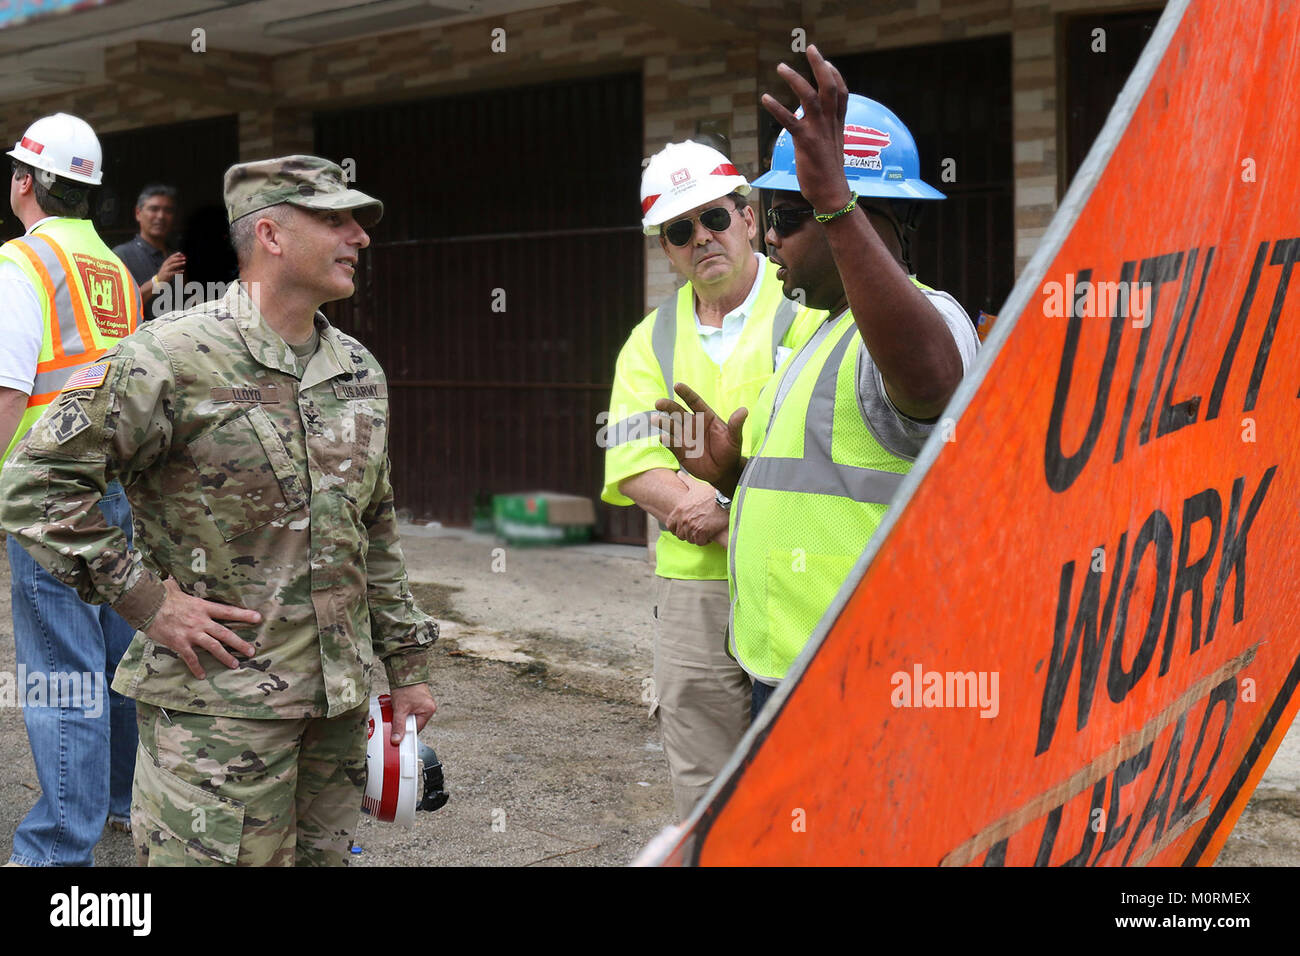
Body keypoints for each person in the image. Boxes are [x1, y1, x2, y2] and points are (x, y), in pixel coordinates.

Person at [0, 154, 438, 866]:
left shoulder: (357, 370)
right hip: (216, 719)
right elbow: (33, 483)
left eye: (358, 221)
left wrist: (407, 665)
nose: (359, 236)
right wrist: (146, 602)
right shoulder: (169, 356)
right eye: (336, 219)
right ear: (269, 234)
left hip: (335, 713)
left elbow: (375, 526)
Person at [655, 47, 980, 719]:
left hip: (867, 685)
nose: (769, 238)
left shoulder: (924, 320)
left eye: (784, 215)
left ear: (855, 215)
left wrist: (832, 199)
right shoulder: (823, 332)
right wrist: (731, 477)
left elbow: (932, 381)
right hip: (795, 675)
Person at [601, 140, 824, 820]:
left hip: (796, 581)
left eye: (715, 219)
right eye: (679, 231)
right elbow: (633, 464)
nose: (702, 238)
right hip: (696, 594)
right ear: (665, 250)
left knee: (802, 775)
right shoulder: (651, 339)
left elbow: (824, 454)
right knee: (705, 787)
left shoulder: (810, 312)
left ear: (749, 218)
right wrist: (712, 510)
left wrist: (733, 512)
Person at [0, 112, 142, 866]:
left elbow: (6, 390)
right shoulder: (115, 271)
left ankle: (58, 850)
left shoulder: (22, 264)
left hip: (47, 496)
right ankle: (123, 800)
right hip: (113, 487)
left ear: (25, 183)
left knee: (62, 673)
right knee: (115, 657)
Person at [111, 184, 186, 320]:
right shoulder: (121, 255)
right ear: (138, 213)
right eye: (154, 209)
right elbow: (117, 307)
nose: (161, 216)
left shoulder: (176, 257)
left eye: (168, 210)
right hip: (141, 339)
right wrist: (157, 280)